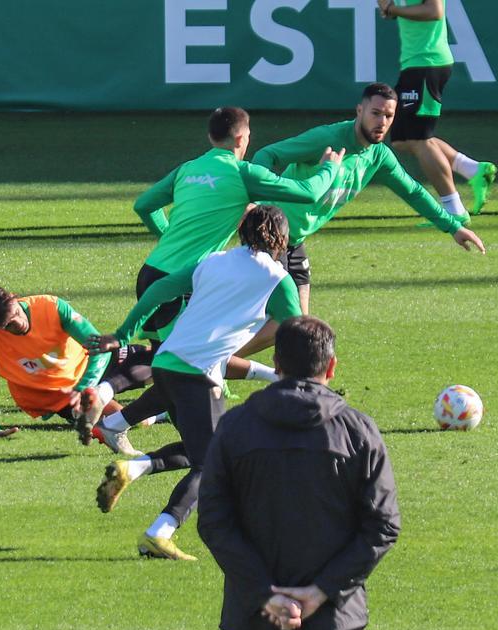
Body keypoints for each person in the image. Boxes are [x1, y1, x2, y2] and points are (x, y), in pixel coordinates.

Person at [91, 107, 343, 454]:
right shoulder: (241, 173)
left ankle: (118, 424)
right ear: (242, 138)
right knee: (191, 368)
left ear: (211, 136)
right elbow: (307, 192)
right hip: (182, 281)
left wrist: (169, 237)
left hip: (152, 272)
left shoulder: (189, 168)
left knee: (170, 364)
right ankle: (193, 448)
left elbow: (144, 204)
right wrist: (331, 168)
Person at [89, 205, 303, 561]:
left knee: (199, 448)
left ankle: (132, 466)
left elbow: (160, 289)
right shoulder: (277, 279)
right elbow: (299, 331)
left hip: (165, 364)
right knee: (216, 463)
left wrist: (124, 333)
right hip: (196, 376)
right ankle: (159, 533)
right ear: (282, 239)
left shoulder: (214, 262)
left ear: (242, 231)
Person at [197, 315, 401, 630]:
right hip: (334, 620)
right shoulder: (358, 431)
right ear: (331, 366)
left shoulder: (235, 427)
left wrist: (265, 594)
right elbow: (383, 525)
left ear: (276, 364)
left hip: (257, 621)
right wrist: (322, 591)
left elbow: (214, 521)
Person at [248, 82, 484, 318]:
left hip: (295, 240)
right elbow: (267, 155)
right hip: (269, 235)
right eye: (375, 113)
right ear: (359, 110)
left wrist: (453, 226)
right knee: (287, 325)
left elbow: (412, 191)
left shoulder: (378, 156)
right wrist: (256, 205)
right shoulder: (328, 139)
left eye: (388, 116)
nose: (382, 122)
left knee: (300, 328)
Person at [0, 282, 147, 448]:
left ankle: (158, 403)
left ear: (14, 297)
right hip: (59, 394)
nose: (18, 324)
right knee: (128, 419)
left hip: (88, 364)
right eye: (8, 325)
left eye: (16, 314)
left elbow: (99, 348)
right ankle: (157, 414)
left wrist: (84, 388)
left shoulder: (50, 307)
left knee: (158, 360)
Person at [375, 0, 497, 219]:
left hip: (427, 62)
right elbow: (390, 10)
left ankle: (454, 210)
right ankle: (473, 169)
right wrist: (388, 8)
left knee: (419, 139)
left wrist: (393, 9)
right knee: (402, 140)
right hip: (414, 63)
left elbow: (434, 11)